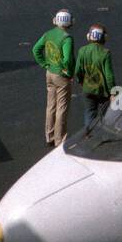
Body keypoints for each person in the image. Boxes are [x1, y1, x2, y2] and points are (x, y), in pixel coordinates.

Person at [32, 9, 75, 148]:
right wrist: (68, 72)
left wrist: (44, 63)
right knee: (62, 107)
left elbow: (36, 49)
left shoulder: (48, 34)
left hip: (49, 73)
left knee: (51, 105)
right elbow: (67, 59)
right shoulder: (66, 38)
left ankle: (49, 136)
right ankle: (60, 140)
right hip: (61, 75)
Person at [74, 24, 115, 128]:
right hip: (102, 91)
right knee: (105, 115)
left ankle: (88, 134)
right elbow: (109, 76)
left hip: (87, 89)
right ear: (104, 38)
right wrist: (113, 92)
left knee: (89, 113)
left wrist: (81, 81)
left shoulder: (82, 51)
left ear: (89, 36)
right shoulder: (105, 53)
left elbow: (78, 70)